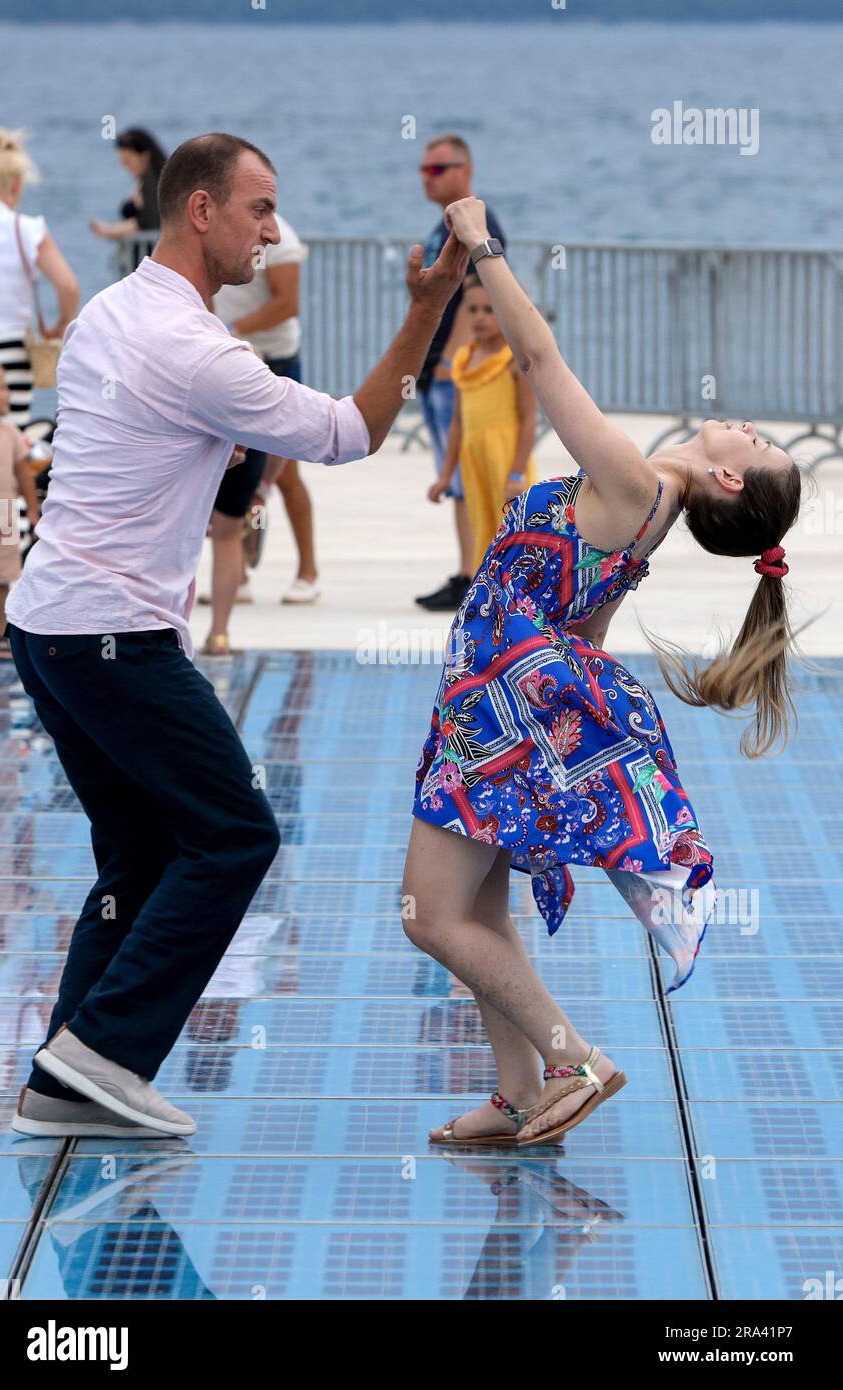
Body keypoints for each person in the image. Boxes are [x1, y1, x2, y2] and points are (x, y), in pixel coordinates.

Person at [5, 131, 468, 1140]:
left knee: (139, 853)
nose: (272, 229)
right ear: (201, 211)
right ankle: (101, 1052)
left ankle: (64, 1081)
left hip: (47, 627)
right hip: (115, 634)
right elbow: (350, 431)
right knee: (235, 834)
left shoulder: (110, 312)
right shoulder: (199, 352)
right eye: (260, 208)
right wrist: (427, 307)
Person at [403, 195, 802, 1149]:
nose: (749, 424)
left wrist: (482, 246)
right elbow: (581, 626)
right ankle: (518, 1094)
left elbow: (540, 361)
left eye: (758, 441)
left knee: (428, 914)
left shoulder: (635, 482)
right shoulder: (648, 516)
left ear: (731, 480)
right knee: (475, 911)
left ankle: (573, 1059)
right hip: (498, 706)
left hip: (498, 712)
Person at [200, 209, 312, 655]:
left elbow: (288, 303)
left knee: (286, 475)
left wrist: (234, 330)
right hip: (232, 356)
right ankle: (239, 575)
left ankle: (308, 571)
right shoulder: (220, 231)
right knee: (232, 480)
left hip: (275, 357)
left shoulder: (281, 238)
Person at [414, 134, 507, 611]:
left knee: (466, 475)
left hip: (453, 372)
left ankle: (476, 575)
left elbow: (477, 292)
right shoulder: (445, 225)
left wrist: (453, 363)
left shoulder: (477, 225)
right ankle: (468, 570)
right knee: (456, 479)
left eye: (437, 169)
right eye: (423, 170)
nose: (427, 178)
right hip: (435, 367)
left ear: (463, 171)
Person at [428, 274, 537, 572]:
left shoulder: (514, 360)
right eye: (472, 310)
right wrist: (446, 476)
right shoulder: (464, 358)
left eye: (489, 310)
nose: (479, 317)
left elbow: (529, 419)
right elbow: (457, 424)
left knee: (511, 534)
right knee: (482, 532)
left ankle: (515, 591)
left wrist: (516, 473)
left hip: (505, 459)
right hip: (473, 461)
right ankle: (485, 589)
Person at [0, 127, 79, 425]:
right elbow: (69, 287)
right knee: (10, 438)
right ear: (16, 183)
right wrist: (60, 325)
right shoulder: (25, 228)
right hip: (11, 351)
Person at [0, 362, 39, 659]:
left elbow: (24, 474)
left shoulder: (11, 433)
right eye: (2, 388)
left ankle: (1, 635)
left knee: (2, 582)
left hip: (3, 521)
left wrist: (33, 511)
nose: (8, 394)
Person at [89, 126, 166, 242]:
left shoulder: (152, 181)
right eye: (122, 161)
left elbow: (149, 222)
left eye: (127, 161)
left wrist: (109, 231)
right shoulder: (150, 181)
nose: (125, 166)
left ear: (145, 156)